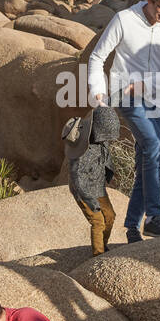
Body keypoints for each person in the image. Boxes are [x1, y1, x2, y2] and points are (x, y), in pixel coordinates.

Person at [86, 0, 160, 243]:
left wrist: (145, 84)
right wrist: (98, 91)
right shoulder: (124, 20)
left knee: (148, 158)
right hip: (125, 94)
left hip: (156, 98)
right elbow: (97, 57)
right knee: (152, 145)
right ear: (149, 0)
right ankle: (154, 218)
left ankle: (132, 227)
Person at [63, 104, 120, 256]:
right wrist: (90, 202)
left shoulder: (100, 141)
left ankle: (103, 245)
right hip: (83, 190)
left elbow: (105, 156)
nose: (109, 139)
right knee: (97, 220)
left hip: (97, 186)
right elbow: (78, 179)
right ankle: (98, 254)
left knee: (110, 216)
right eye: (107, 135)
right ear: (99, 130)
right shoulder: (83, 151)